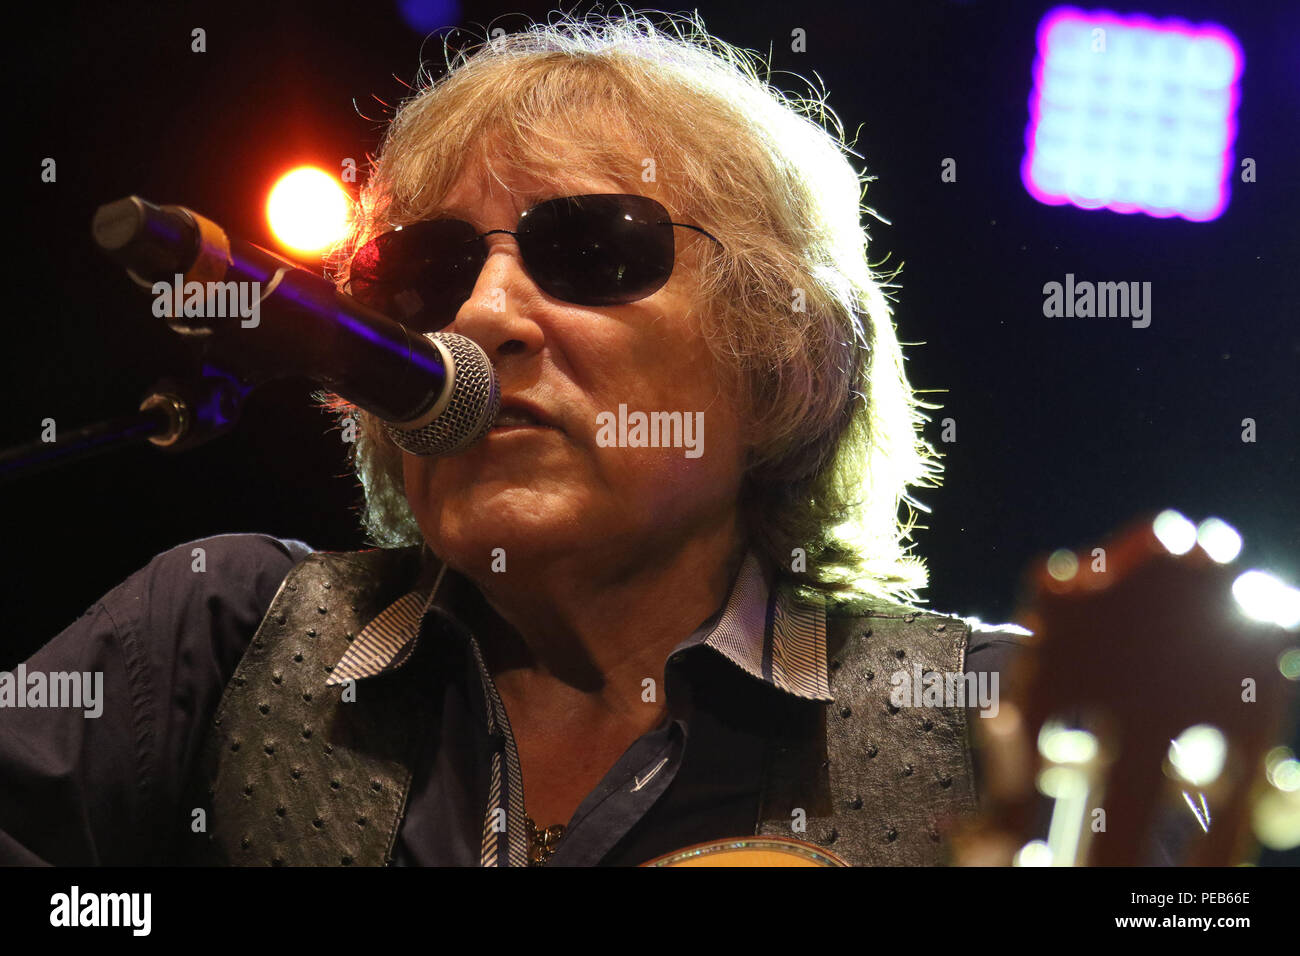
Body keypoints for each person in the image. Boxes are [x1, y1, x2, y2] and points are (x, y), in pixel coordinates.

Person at [0, 12, 1025, 867]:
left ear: (779, 355)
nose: (484, 313)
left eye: (591, 250)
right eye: (428, 271)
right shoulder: (216, 633)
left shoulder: (993, 716)